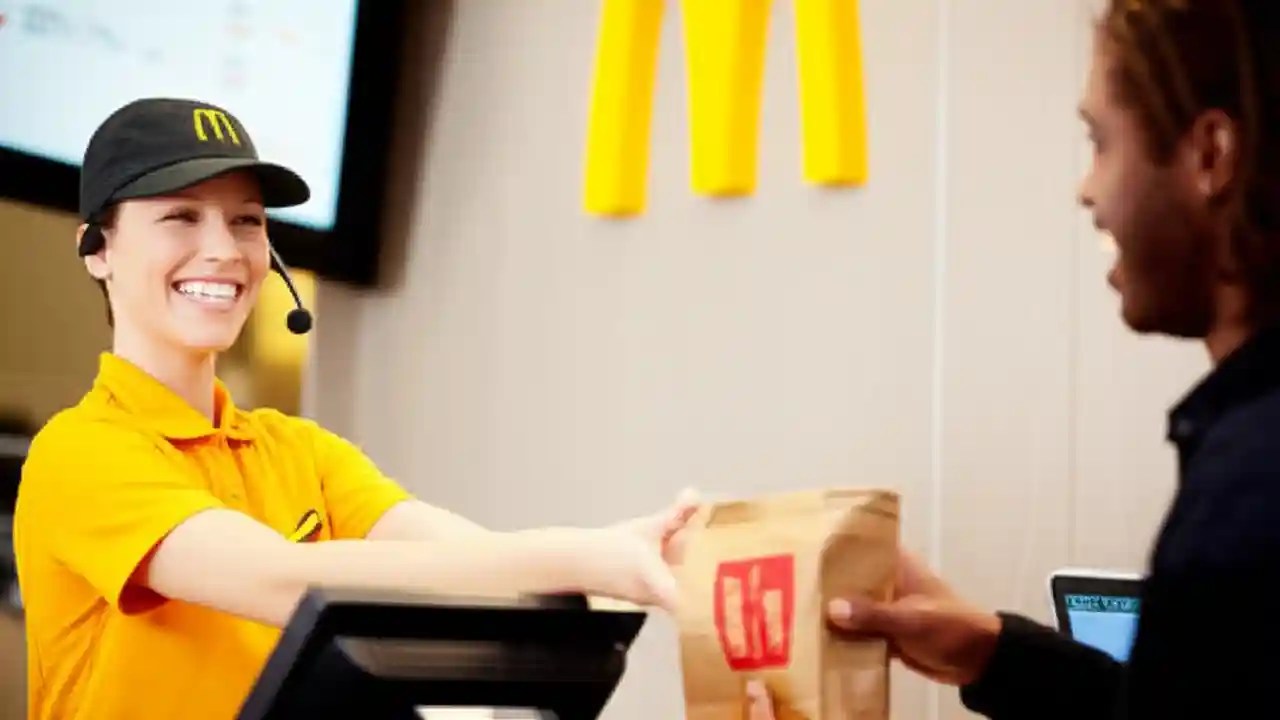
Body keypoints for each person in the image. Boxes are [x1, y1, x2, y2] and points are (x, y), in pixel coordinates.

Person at [12, 97, 700, 720]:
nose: (223, 250)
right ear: (97, 250)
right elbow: (282, 581)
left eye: (246, 221)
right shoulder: (80, 453)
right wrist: (582, 554)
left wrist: (625, 551)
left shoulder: (301, 451)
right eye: (180, 216)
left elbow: (476, 564)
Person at [749, 0, 1280, 717]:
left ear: (1211, 155)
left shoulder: (1247, 493)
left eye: (1099, 141)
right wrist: (993, 653)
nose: (1086, 190)